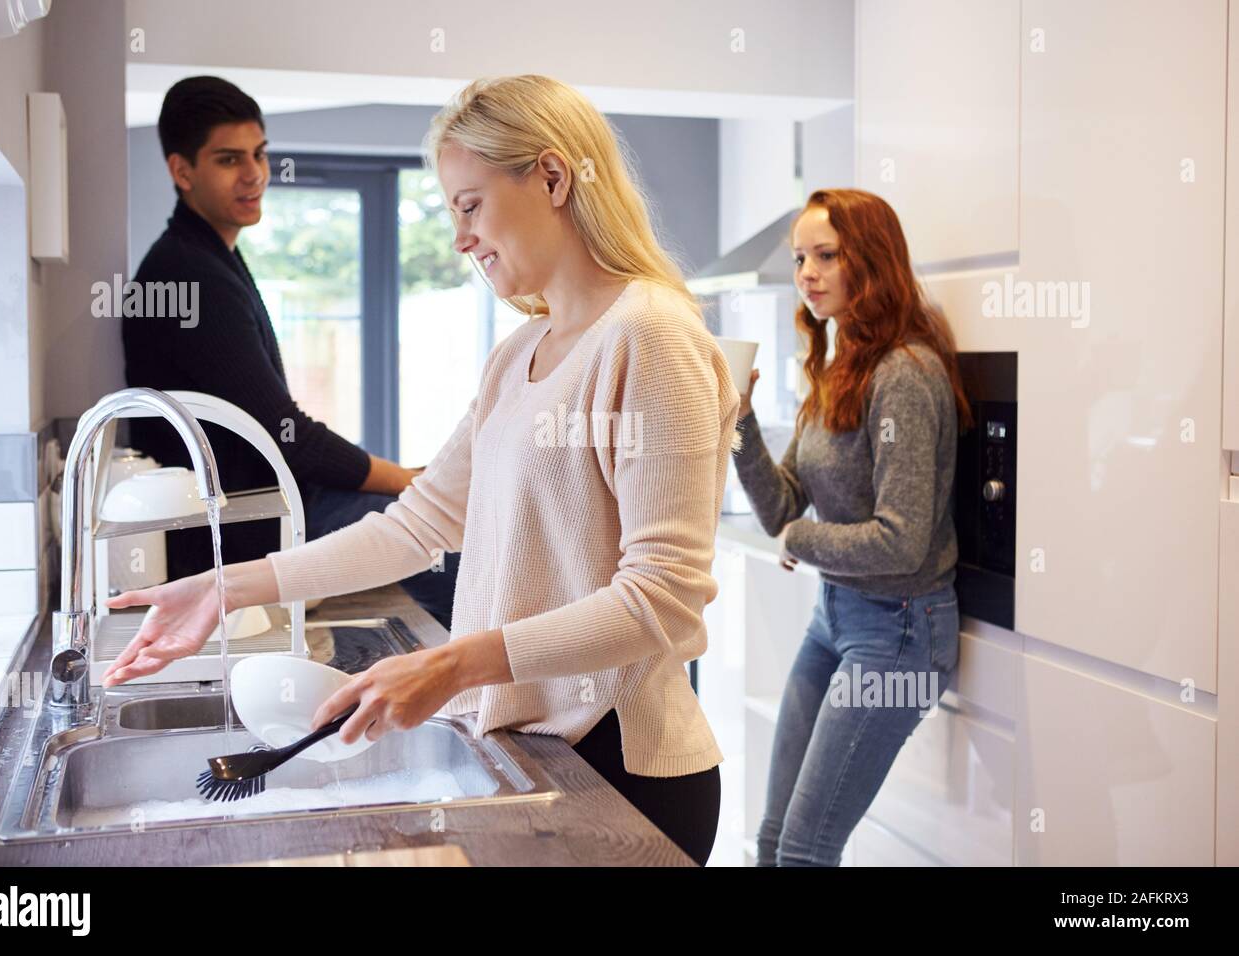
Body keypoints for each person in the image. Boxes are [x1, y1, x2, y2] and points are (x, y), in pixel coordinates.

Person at [103, 74, 740, 866]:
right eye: (453, 213)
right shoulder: (517, 355)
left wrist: (451, 663)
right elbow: (419, 522)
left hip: (623, 771)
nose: (461, 238)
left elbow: (663, 600)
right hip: (534, 749)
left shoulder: (651, 335)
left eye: (470, 205)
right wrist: (225, 586)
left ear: (551, 177)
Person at [122, 75, 459, 630]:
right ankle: (506, 685)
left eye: (258, 154)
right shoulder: (188, 274)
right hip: (243, 525)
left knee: (430, 531)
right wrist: (406, 480)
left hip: (261, 509)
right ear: (182, 171)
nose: (254, 174)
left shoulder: (205, 258)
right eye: (229, 159)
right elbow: (287, 435)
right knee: (431, 536)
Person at [733, 188, 973, 866]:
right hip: (836, 616)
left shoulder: (903, 374)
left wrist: (800, 543)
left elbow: (901, 539)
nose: (806, 273)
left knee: (806, 850)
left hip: (900, 630)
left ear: (869, 260)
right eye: (800, 258)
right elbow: (782, 507)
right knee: (776, 840)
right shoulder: (838, 369)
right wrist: (738, 422)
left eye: (826, 256)